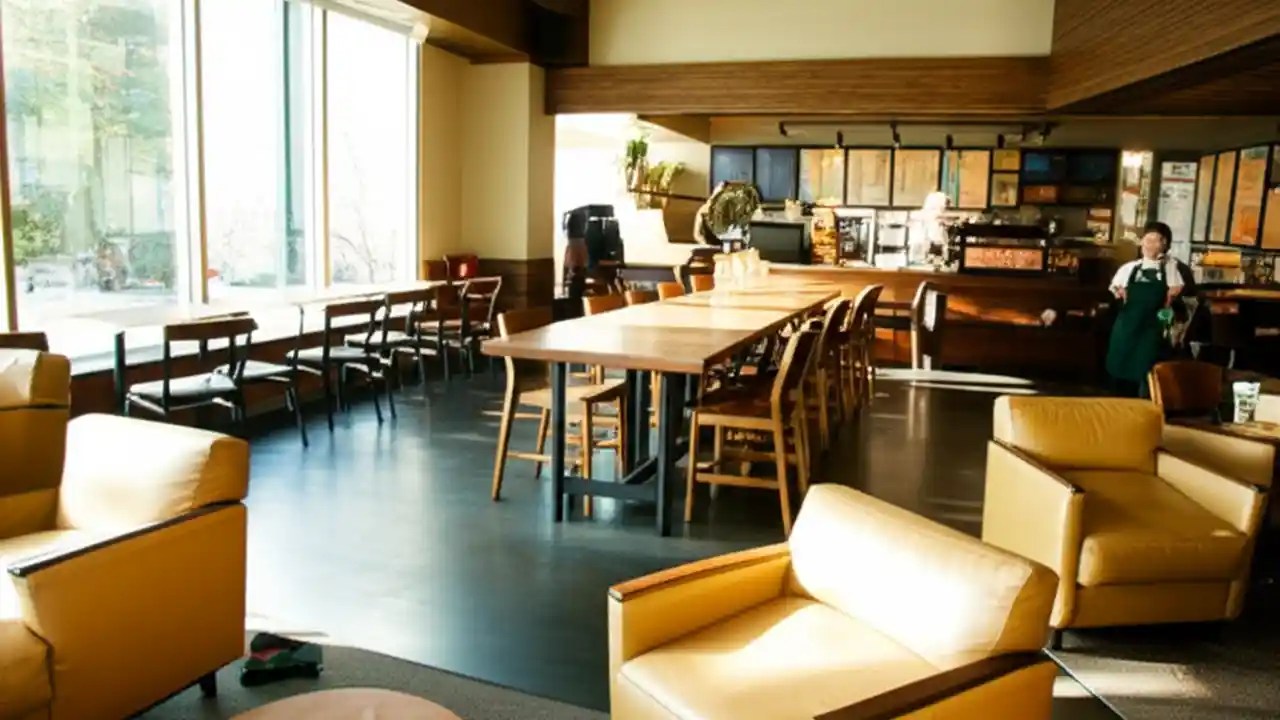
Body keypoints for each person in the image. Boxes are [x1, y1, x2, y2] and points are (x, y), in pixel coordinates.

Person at [1105, 225, 1184, 397]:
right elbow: (1117, 293)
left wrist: (1169, 325)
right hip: (1126, 327)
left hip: (1152, 328)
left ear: (1164, 245)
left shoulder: (1170, 269)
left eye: (1156, 241)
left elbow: (1172, 299)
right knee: (1119, 368)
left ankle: (1145, 407)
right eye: (1147, 240)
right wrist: (1120, 293)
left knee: (1147, 370)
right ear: (1141, 243)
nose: (1150, 245)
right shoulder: (1128, 268)